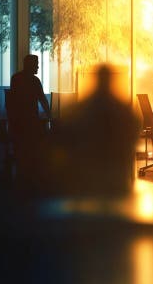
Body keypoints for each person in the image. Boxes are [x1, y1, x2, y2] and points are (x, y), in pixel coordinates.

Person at [59, 64, 139, 195]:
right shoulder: (122, 109)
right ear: (111, 80)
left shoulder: (83, 107)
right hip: (115, 166)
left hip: (89, 166)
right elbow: (133, 132)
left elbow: (69, 134)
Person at [7, 54, 52, 190]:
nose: (38, 66)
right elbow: (43, 100)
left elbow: (12, 101)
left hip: (18, 123)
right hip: (31, 123)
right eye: (36, 64)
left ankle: (21, 178)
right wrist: (50, 114)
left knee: (21, 151)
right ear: (30, 65)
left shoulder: (15, 79)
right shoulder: (34, 81)